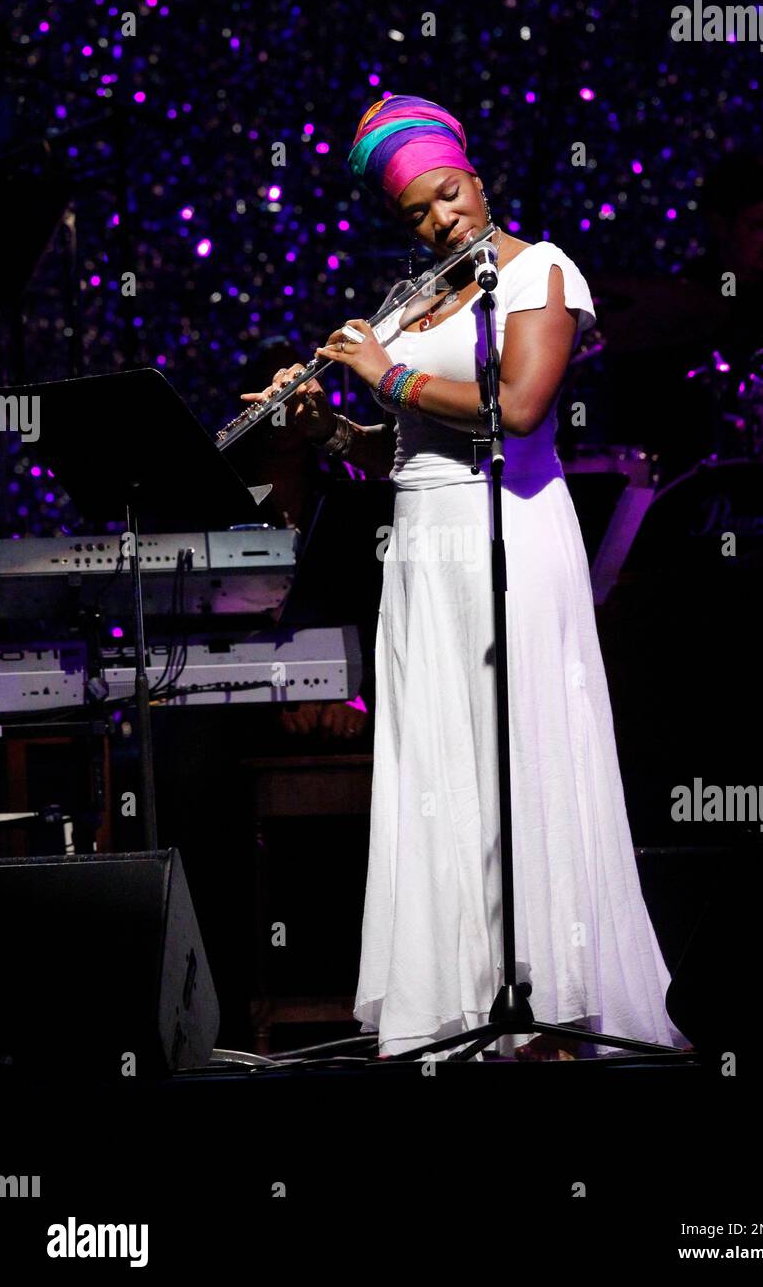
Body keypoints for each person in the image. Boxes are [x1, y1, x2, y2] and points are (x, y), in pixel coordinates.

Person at [248, 93, 690, 1059]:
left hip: (514, 541)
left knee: (522, 750)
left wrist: (385, 375)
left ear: (476, 179)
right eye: (417, 214)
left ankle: (559, 1003)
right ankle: (463, 1009)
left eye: (448, 197)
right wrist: (326, 426)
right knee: (445, 762)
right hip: (421, 553)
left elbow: (518, 410)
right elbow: (395, 453)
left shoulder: (540, 273)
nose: (441, 220)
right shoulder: (410, 300)